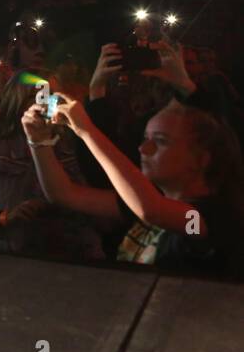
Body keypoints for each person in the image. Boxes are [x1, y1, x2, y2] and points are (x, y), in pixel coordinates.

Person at [24, 90, 244, 279]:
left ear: (201, 160)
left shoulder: (208, 219)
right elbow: (63, 193)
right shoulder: (150, 200)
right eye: (145, 138)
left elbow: (152, 210)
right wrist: (39, 141)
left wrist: (87, 131)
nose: (143, 149)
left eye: (160, 141)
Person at [0, 71, 104, 261]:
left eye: (52, 95)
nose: (46, 103)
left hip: (75, 258)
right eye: (37, 96)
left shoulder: (75, 146)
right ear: (16, 102)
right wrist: (6, 217)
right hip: (13, 259)